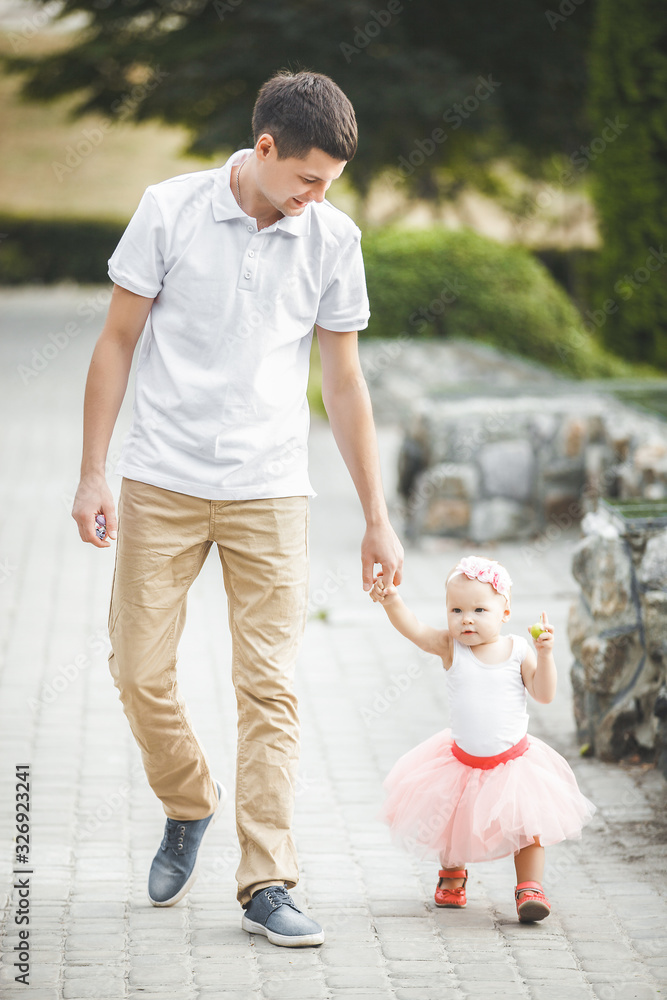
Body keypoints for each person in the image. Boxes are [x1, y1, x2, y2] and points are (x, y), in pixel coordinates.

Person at [71, 68, 403, 947]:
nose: (314, 198)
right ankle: (189, 803)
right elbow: (116, 341)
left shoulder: (331, 238)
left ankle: (268, 882)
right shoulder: (169, 210)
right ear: (263, 149)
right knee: (138, 672)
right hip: (161, 482)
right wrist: (93, 472)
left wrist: (376, 513)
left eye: (328, 185)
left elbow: (344, 379)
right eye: (306, 180)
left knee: (270, 689)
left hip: (270, 493)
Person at [369, 554, 595, 922]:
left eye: (479, 609)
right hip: (460, 760)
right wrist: (391, 599)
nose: (466, 619)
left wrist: (546, 654)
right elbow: (414, 629)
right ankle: (452, 873)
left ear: (504, 613)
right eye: (455, 610)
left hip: (514, 763)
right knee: (450, 819)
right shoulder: (450, 647)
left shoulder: (518, 651)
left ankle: (530, 888)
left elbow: (544, 694)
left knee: (527, 827)